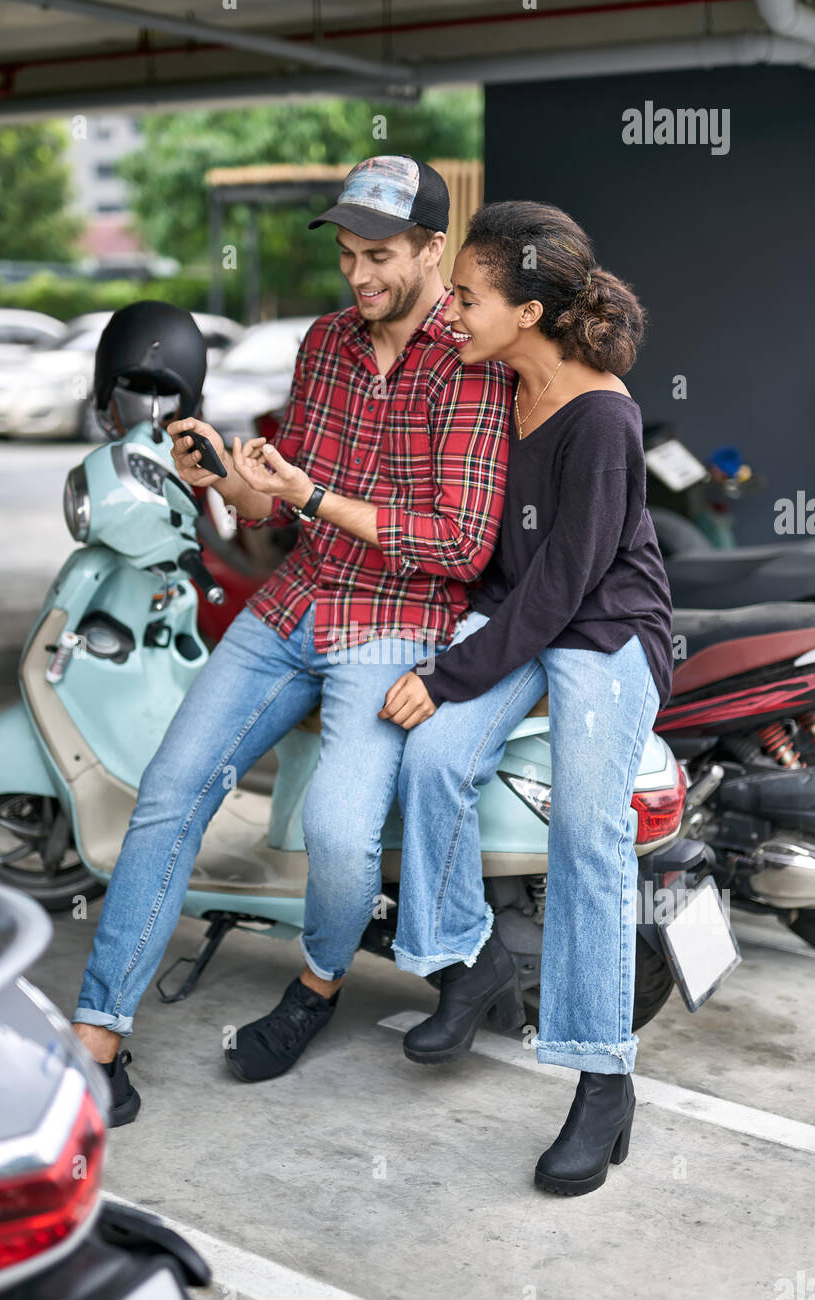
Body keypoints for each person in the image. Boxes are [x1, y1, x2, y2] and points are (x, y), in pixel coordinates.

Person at [70, 156, 512, 1120]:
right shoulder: (324, 343)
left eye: (381, 256)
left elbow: (458, 543)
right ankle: (97, 1037)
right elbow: (288, 508)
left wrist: (308, 494)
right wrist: (227, 478)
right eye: (349, 255)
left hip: (396, 625)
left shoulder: (470, 357)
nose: (359, 278)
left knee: (342, 836)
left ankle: (315, 986)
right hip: (294, 604)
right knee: (169, 796)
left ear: (433, 249)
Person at [377, 200, 675, 1197]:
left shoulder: (605, 417)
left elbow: (566, 585)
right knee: (430, 755)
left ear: (532, 311)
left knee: (586, 831)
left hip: (607, 629)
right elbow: (506, 574)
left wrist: (447, 672)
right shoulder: (492, 390)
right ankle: (471, 961)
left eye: (467, 297)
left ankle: (602, 1077)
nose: (451, 312)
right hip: (523, 617)